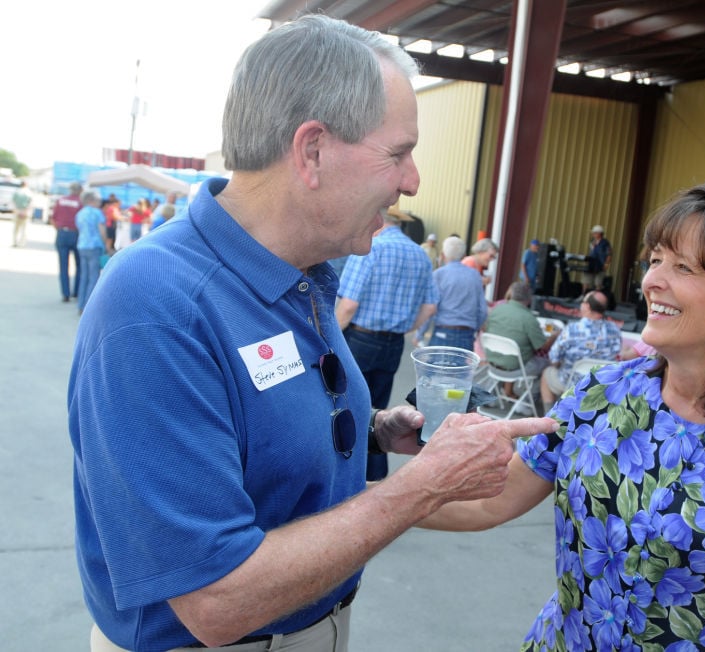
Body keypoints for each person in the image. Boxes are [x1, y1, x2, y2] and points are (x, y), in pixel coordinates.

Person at [68, 15, 556, 651]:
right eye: (398, 153)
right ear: (313, 151)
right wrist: (425, 484)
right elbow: (216, 602)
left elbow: (245, 423)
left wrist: (371, 428)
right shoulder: (157, 304)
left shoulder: (305, 274)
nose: (413, 181)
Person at [420, 182, 705, 650]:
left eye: (683, 267)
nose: (652, 280)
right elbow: (491, 502)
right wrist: (369, 497)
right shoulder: (599, 393)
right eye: (655, 259)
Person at [336, 206, 438, 481]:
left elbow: (348, 305)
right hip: (393, 344)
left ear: (377, 220)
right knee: (379, 411)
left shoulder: (370, 248)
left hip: (361, 338)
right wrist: (406, 327)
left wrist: (328, 337)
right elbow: (430, 306)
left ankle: (349, 477)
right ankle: (375, 476)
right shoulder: (420, 254)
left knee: (347, 407)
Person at [539, 289, 620, 412]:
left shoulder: (572, 329)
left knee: (547, 374)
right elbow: (615, 355)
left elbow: (553, 358)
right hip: (600, 385)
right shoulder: (614, 330)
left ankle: (550, 419)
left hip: (572, 383)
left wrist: (559, 364)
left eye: (583, 301)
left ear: (587, 306)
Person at [484, 281, 558, 401]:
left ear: (511, 294)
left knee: (516, 354)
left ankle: (504, 392)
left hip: (493, 363)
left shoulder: (497, 310)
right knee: (547, 365)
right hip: (515, 368)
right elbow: (543, 346)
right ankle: (527, 402)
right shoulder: (528, 318)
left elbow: (486, 330)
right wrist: (555, 336)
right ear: (529, 299)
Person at [418, 235, 487, 350]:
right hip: (466, 334)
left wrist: (420, 334)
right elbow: (482, 311)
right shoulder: (475, 276)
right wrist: (474, 328)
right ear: (464, 256)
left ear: (443, 255)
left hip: (442, 332)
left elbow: (430, 308)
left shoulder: (438, 275)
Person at [75, 191, 108, 315]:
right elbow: (102, 230)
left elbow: (79, 228)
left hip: (82, 245)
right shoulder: (97, 213)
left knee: (84, 276)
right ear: (91, 200)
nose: (100, 203)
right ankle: (88, 307)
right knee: (93, 277)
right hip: (95, 246)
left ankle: (80, 304)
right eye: (98, 200)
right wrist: (106, 244)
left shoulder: (80, 213)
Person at [50, 181, 83, 302]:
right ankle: (77, 291)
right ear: (80, 191)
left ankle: (65, 293)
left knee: (63, 265)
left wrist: (59, 229)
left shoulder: (61, 200)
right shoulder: (81, 202)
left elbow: (53, 218)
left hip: (62, 233)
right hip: (76, 234)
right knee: (79, 265)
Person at [586, 224, 612, 291]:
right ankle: (584, 295)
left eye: (595, 233)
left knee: (598, 283)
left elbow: (609, 254)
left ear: (599, 234)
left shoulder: (605, 243)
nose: (593, 234)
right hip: (591, 264)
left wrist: (606, 264)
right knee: (586, 281)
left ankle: (597, 296)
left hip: (600, 265)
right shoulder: (592, 241)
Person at [11, 180, 32, 247]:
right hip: (26, 212)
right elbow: (31, 203)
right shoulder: (29, 192)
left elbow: (13, 202)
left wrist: (16, 211)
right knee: (24, 229)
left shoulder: (17, 192)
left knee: (16, 228)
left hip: (17, 211)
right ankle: (22, 243)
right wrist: (26, 211)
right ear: (26, 185)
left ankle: (15, 242)